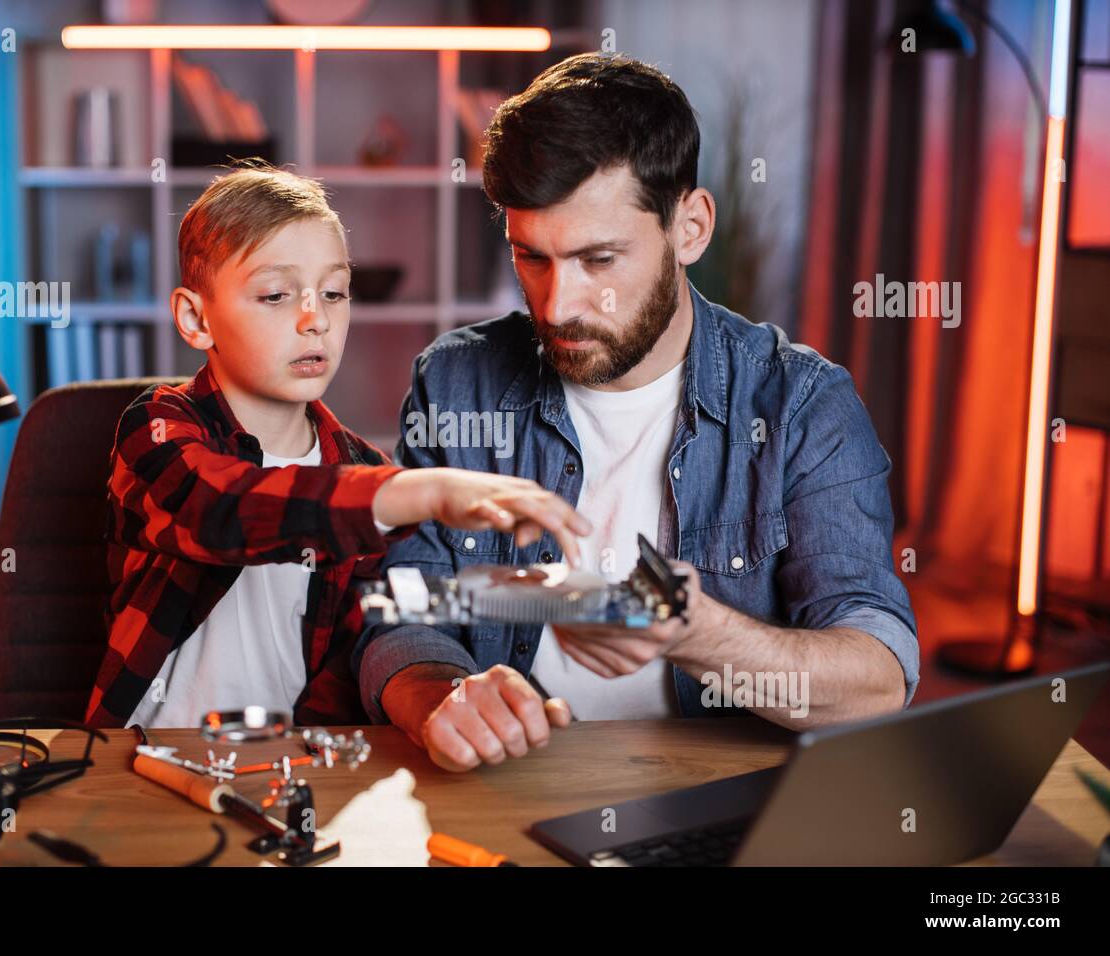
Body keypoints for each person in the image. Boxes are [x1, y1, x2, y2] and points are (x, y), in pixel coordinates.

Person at [354, 54, 919, 772]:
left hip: (718, 804)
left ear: (690, 228)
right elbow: (399, 606)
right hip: (501, 797)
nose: (558, 305)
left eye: (599, 260)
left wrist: (694, 630)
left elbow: (879, 678)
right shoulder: (458, 382)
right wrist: (438, 694)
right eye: (531, 258)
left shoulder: (803, 404)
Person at [86, 163, 590, 728]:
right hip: (145, 756)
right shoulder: (156, 425)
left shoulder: (361, 470)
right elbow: (220, 508)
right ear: (195, 317)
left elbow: (365, 644)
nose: (315, 320)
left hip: (293, 770)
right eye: (276, 295)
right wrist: (419, 489)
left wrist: (557, 607)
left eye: (334, 293)